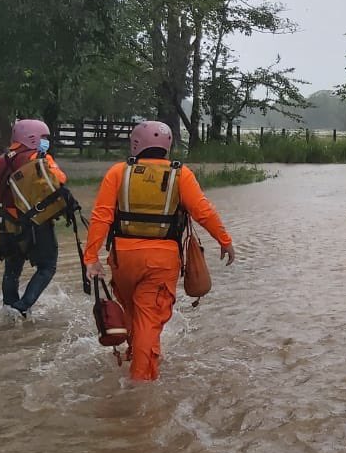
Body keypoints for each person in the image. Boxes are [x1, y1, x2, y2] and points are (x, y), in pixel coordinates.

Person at [82, 120, 236, 381]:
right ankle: (140, 386)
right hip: (160, 262)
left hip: (122, 259)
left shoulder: (118, 172)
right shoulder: (181, 174)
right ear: (167, 146)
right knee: (148, 322)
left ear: (135, 144)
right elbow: (203, 211)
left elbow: (101, 216)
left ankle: (133, 359)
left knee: (132, 313)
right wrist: (224, 240)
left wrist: (90, 258)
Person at [0, 118, 67, 317]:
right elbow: (60, 180)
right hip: (35, 225)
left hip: (7, 225)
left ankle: (9, 308)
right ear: (32, 138)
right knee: (47, 267)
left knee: (12, 269)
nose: (45, 141)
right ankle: (23, 307)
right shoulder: (40, 158)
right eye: (43, 137)